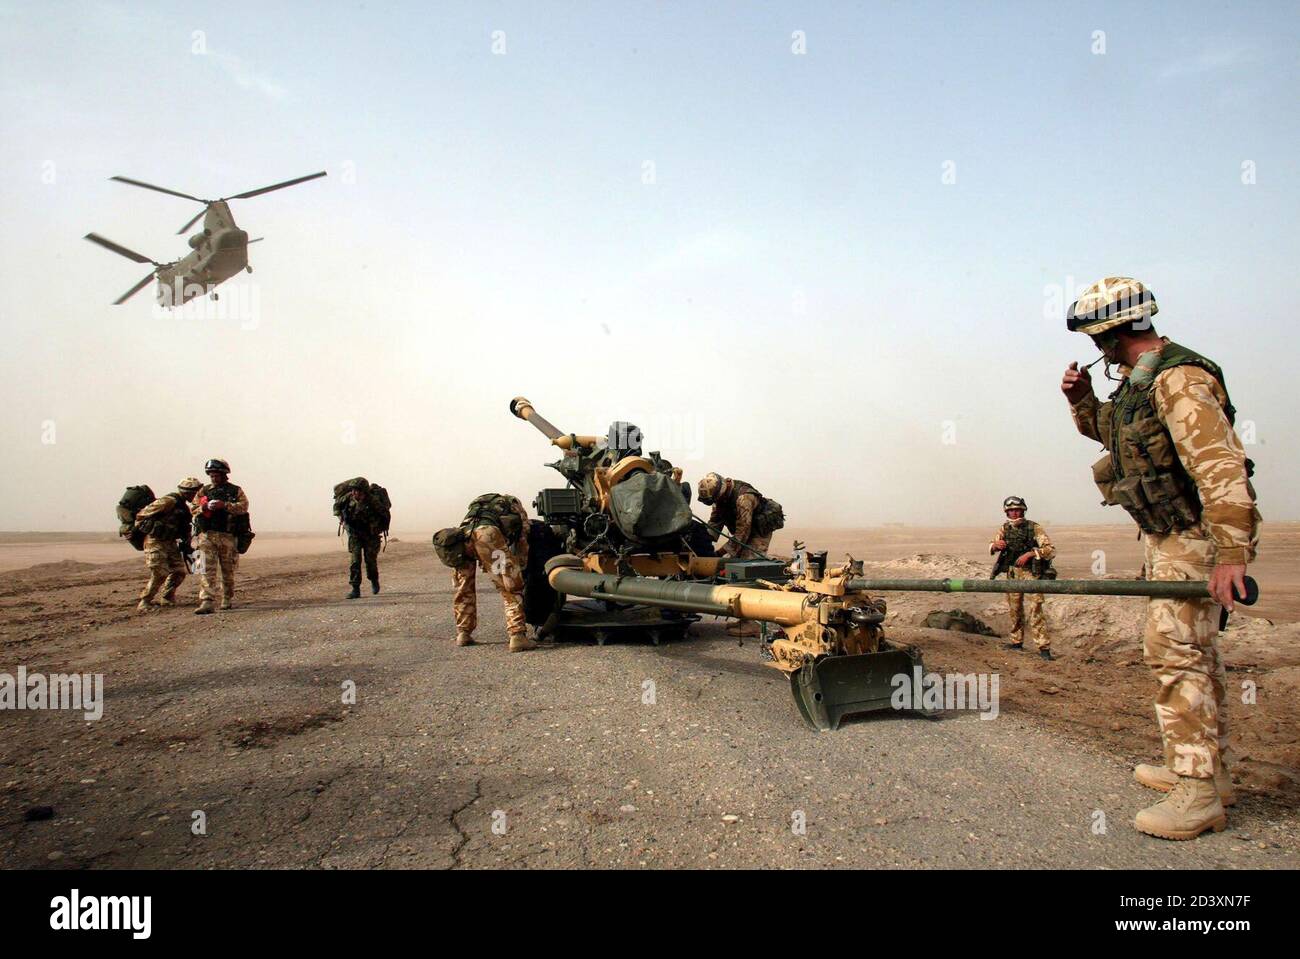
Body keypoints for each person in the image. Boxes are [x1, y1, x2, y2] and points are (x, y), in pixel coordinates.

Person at [1062, 275, 1260, 840]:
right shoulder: (1139, 384)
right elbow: (1114, 435)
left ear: (1111, 332)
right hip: (1169, 535)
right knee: (1195, 651)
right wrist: (1082, 403)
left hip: (1194, 539)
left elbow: (1220, 469)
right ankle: (1206, 771)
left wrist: (1230, 555)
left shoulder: (1179, 380)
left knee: (1175, 655)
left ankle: (1196, 794)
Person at [433, 494, 537, 652]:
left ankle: (463, 633)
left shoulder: (480, 504)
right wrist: (520, 566)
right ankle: (517, 636)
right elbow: (523, 533)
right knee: (510, 587)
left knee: (464, 588)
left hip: (463, 537)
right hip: (487, 536)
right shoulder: (513, 504)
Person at [989, 495, 1056, 659]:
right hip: (1013, 573)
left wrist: (1031, 554)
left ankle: (1043, 647)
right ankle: (1016, 642)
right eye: (1011, 510)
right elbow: (993, 544)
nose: (1014, 513)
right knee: (1015, 609)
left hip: (1031, 573)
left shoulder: (1034, 528)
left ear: (1023, 510)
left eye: (1017, 510)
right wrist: (995, 546)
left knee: (1035, 610)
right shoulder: (1004, 529)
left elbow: (1050, 549)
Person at [191, 458, 250, 615]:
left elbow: (243, 507)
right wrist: (204, 506)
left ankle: (227, 598)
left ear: (224, 475)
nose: (214, 478)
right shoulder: (203, 491)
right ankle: (207, 601)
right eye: (211, 475)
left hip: (227, 536)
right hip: (207, 535)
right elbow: (193, 508)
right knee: (205, 569)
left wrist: (225, 505)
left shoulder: (235, 491)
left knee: (227, 569)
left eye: (217, 475)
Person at [134, 477, 202, 611]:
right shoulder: (168, 501)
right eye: (193, 492)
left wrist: (187, 544)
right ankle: (145, 601)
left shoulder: (184, 507)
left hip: (170, 542)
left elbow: (185, 528)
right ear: (186, 492)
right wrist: (148, 528)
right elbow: (142, 515)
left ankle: (167, 597)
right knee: (160, 572)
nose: (194, 495)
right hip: (155, 541)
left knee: (179, 572)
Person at [696, 473, 785, 560]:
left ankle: (778, 566)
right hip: (743, 528)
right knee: (730, 560)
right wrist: (704, 542)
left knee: (747, 561)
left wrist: (718, 553)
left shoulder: (743, 499)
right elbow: (715, 522)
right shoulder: (719, 500)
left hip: (759, 529)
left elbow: (742, 533)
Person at [333, 479, 386, 599]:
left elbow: (384, 514)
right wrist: (341, 518)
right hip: (355, 535)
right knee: (355, 561)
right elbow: (336, 506)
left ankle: (374, 580)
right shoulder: (347, 498)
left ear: (363, 492)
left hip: (371, 535)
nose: (353, 493)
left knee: (370, 561)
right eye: (352, 490)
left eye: (356, 491)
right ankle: (355, 588)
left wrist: (377, 526)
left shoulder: (373, 501)